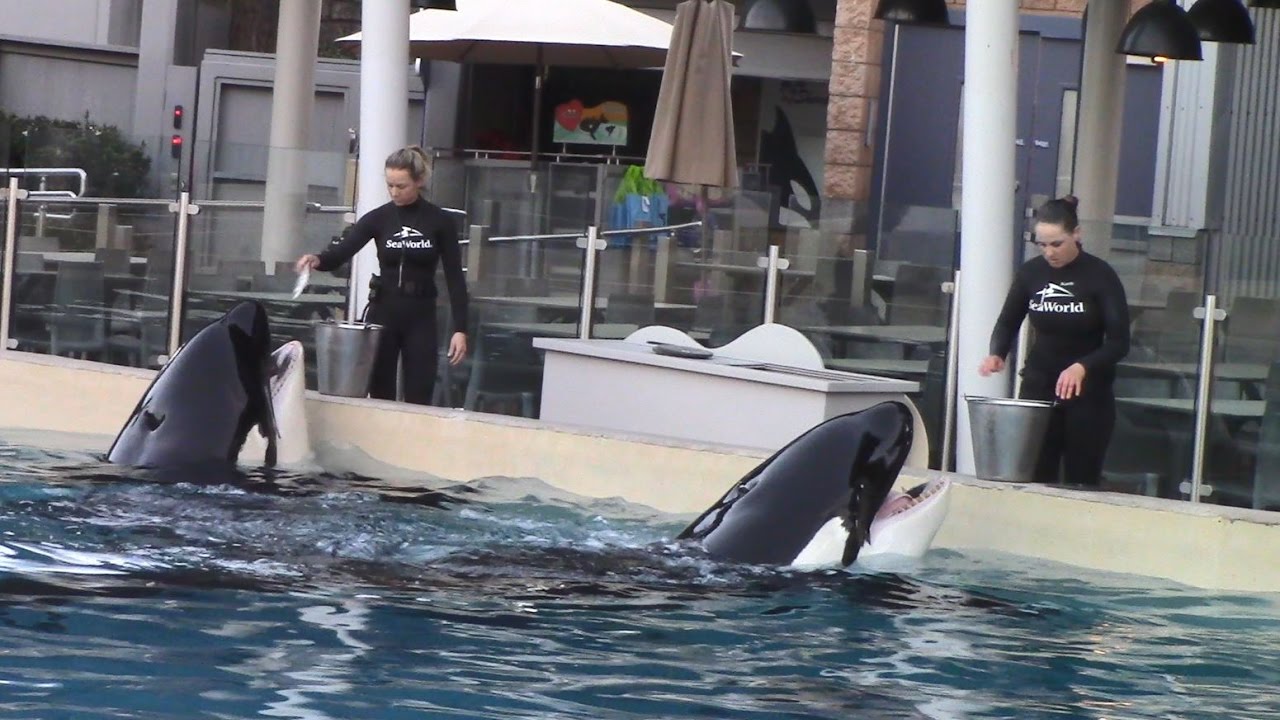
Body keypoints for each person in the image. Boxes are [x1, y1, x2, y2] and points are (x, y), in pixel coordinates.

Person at [296, 145, 468, 406]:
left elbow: (455, 277)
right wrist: (317, 260)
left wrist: (460, 329)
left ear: (419, 182)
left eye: (402, 186)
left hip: (420, 314)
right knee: (380, 392)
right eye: (390, 185)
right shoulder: (379, 218)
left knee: (419, 392)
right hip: (384, 310)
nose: (395, 192)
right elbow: (343, 251)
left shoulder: (439, 221)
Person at [978, 195, 1130, 487]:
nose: (1049, 252)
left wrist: (1082, 366)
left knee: (1081, 479)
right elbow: (1008, 321)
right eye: (1042, 244)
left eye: (1057, 244)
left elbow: (1119, 342)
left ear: (1076, 234)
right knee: (1034, 474)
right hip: (1039, 385)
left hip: (1087, 394)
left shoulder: (1099, 275)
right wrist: (997, 353)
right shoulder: (1031, 273)